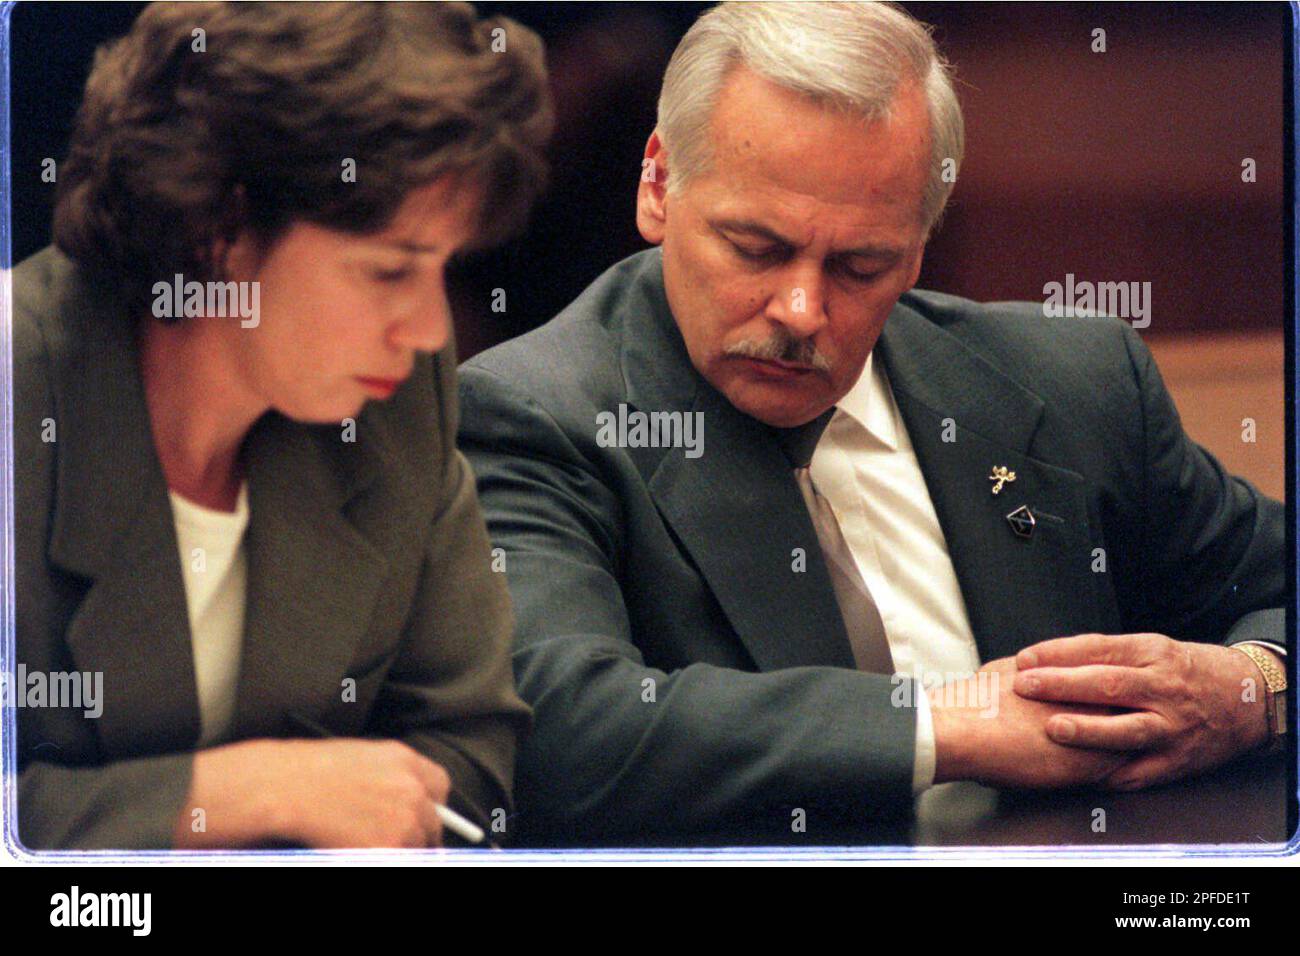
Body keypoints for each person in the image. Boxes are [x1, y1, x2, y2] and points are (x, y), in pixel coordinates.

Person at [457, 0, 1286, 844]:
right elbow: (559, 729)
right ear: (659, 186)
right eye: (755, 247)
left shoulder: (1072, 382)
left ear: (920, 250)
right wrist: (947, 726)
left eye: (861, 265)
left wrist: (1256, 688)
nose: (802, 310)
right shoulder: (532, 413)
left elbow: (1276, 591)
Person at [13, 1, 552, 850]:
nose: (430, 331)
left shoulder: (394, 396)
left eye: (443, 269)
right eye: (387, 270)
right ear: (219, 229)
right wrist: (230, 796)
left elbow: (466, 745)